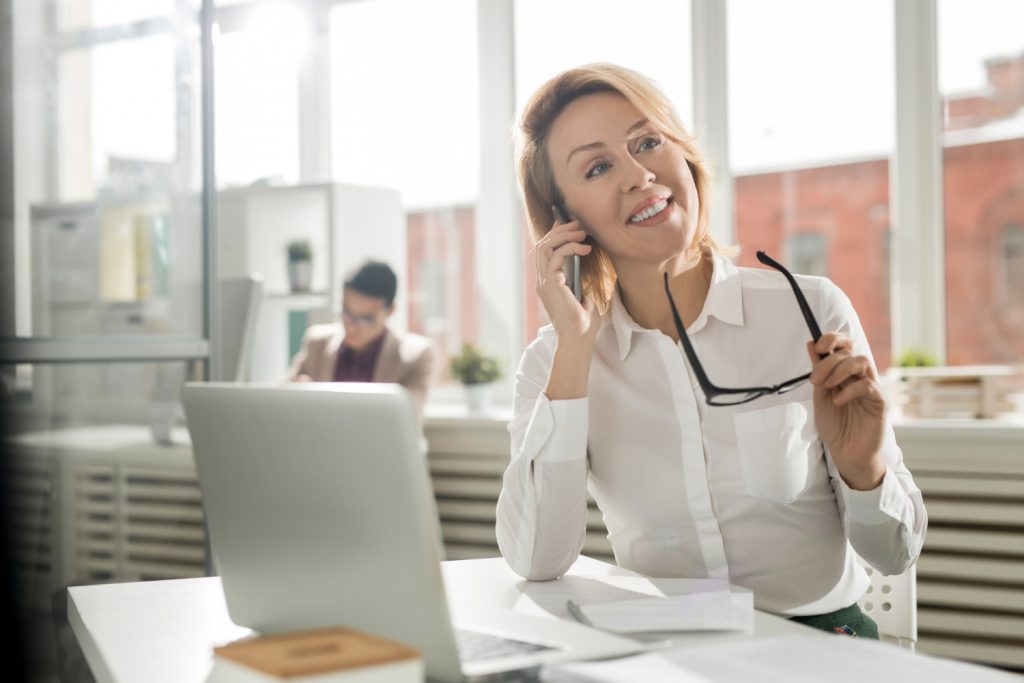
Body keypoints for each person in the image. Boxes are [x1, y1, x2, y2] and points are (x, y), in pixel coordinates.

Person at [495, 63, 927, 637]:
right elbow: (536, 561)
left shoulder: (810, 312)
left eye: (647, 141)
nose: (639, 174)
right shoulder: (555, 363)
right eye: (598, 167)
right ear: (565, 222)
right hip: (670, 650)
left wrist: (863, 469)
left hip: (819, 645)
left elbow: (895, 554)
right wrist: (573, 353)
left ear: (685, 154)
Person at [289, 260, 435, 425]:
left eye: (365, 319)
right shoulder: (316, 342)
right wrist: (296, 392)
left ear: (390, 311)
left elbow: (408, 420)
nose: (351, 326)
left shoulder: (415, 356)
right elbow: (281, 404)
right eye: (346, 312)